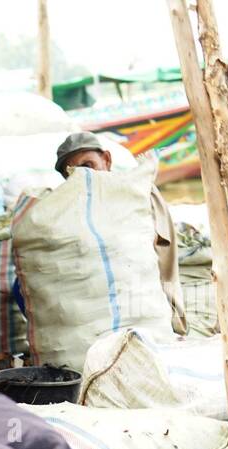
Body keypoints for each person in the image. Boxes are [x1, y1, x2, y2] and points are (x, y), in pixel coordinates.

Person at [54, 131, 185, 329]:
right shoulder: (75, 208)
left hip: (150, 306)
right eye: (71, 173)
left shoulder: (135, 193)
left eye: (87, 166)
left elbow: (148, 252)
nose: (82, 176)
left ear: (106, 159)